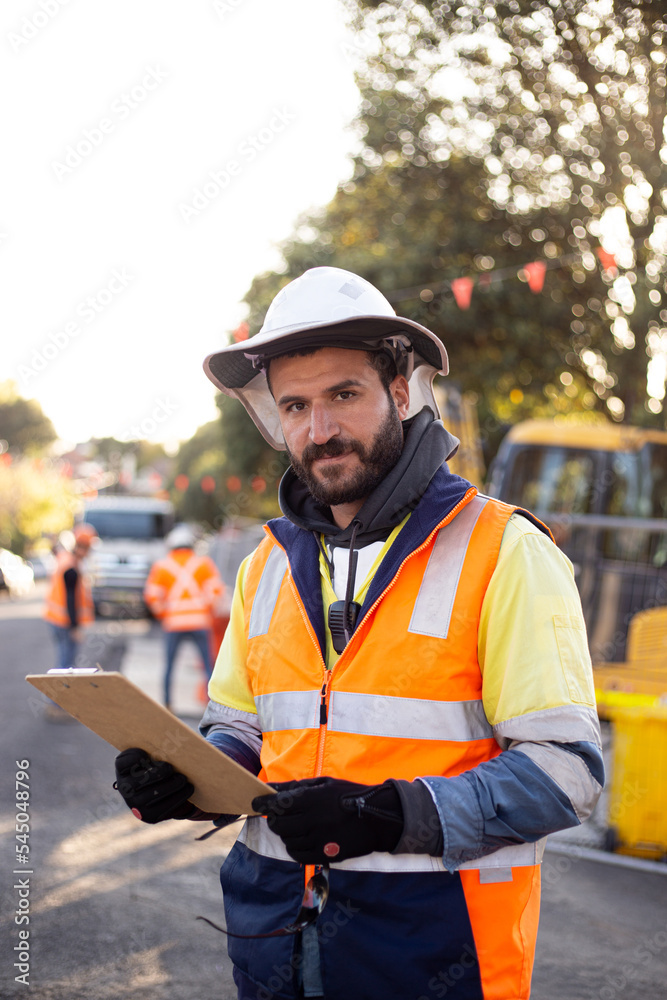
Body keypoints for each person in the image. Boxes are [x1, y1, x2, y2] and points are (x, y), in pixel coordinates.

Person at [115, 267, 604, 1000]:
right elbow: (240, 730)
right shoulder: (266, 565)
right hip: (273, 935)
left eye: (343, 395)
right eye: (295, 405)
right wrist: (188, 777)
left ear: (400, 392)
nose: (319, 430)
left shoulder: (503, 550)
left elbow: (568, 774)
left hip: (436, 952)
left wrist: (390, 814)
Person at [143, 523, 225, 710]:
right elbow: (216, 592)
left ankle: (167, 703)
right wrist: (206, 610)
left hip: (174, 624)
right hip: (200, 622)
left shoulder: (162, 566)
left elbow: (152, 596)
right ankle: (215, 704)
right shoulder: (203, 564)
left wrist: (165, 614)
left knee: (170, 666)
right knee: (207, 665)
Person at [43, 522, 97, 671]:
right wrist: (74, 627)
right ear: (82, 547)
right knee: (66, 666)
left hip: (56, 619)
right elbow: (70, 598)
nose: (89, 552)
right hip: (64, 622)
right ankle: (58, 694)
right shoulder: (71, 568)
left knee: (64, 663)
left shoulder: (66, 560)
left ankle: (58, 693)